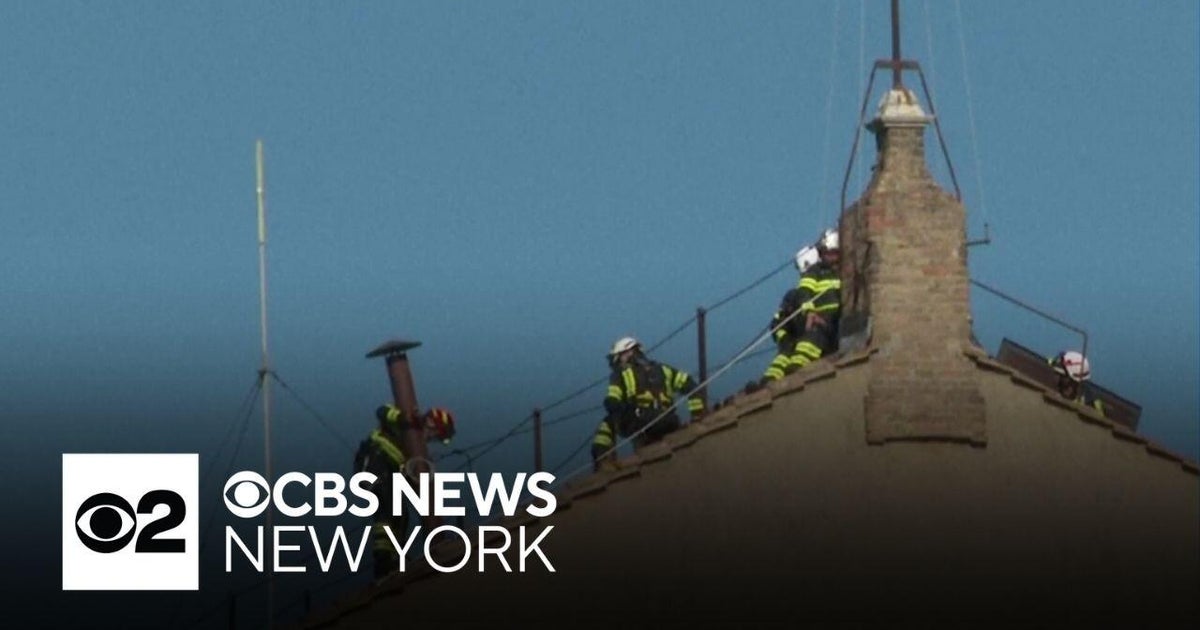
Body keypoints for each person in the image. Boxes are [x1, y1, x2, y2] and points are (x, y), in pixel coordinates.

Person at [353, 403, 456, 578]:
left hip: (391, 470)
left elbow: (409, 472)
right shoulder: (407, 420)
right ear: (432, 422)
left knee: (401, 514)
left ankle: (395, 556)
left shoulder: (417, 444)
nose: (433, 438)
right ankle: (383, 559)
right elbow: (382, 411)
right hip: (375, 459)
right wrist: (402, 418)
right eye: (437, 434)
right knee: (387, 505)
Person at [591, 337, 705, 471]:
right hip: (669, 422)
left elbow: (612, 402)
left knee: (608, 422)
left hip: (642, 423)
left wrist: (623, 412)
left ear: (628, 353)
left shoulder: (621, 374)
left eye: (619, 358)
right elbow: (692, 387)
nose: (618, 363)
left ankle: (603, 460)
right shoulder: (665, 370)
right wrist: (697, 416)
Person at [762, 228, 842, 382]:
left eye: (834, 253)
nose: (831, 257)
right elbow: (804, 293)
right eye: (828, 253)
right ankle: (777, 377)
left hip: (830, 323)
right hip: (814, 324)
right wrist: (810, 313)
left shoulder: (836, 274)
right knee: (801, 344)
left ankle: (786, 371)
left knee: (798, 346)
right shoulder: (814, 274)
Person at [1049, 350, 1105, 415]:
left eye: (1061, 375)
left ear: (1074, 378)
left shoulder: (1092, 402)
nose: (1056, 377)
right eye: (1056, 373)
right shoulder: (1059, 389)